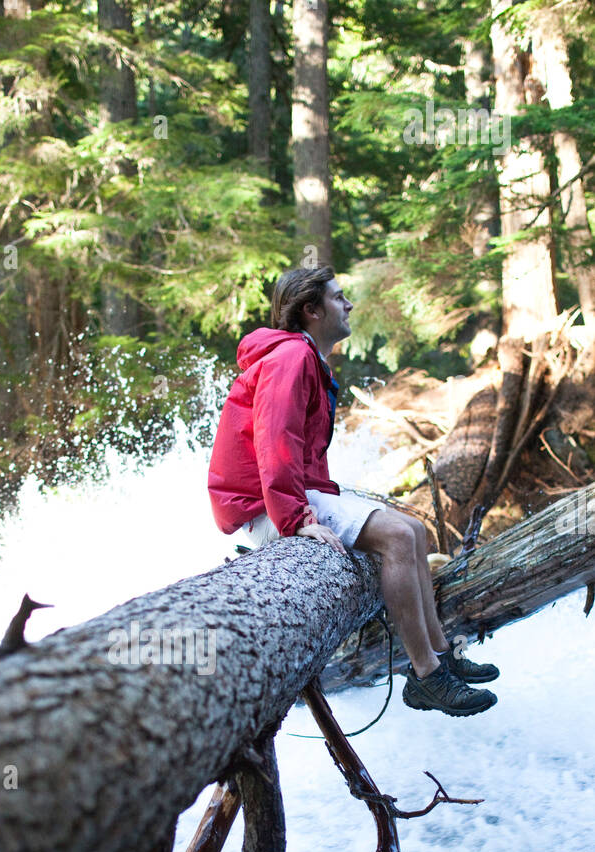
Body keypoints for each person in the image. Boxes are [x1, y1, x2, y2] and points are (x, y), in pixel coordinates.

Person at [207, 265, 499, 716]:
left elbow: (303, 457)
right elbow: (274, 442)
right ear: (311, 310)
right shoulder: (291, 358)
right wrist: (297, 521)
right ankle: (425, 676)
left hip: (283, 495)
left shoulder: (304, 356)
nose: (348, 304)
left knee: (416, 531)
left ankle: (443, 655)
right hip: (262, 506)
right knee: (399, 538)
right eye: (338, 297)